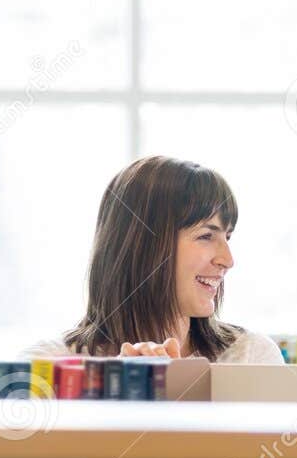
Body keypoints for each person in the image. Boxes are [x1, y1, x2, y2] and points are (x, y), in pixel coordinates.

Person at [21, 155, 283, 364]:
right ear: (143, 245)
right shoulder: (47, 365)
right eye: (206, 236)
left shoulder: (251, 357)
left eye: (227, 236)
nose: (227, 259)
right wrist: (117, 390)